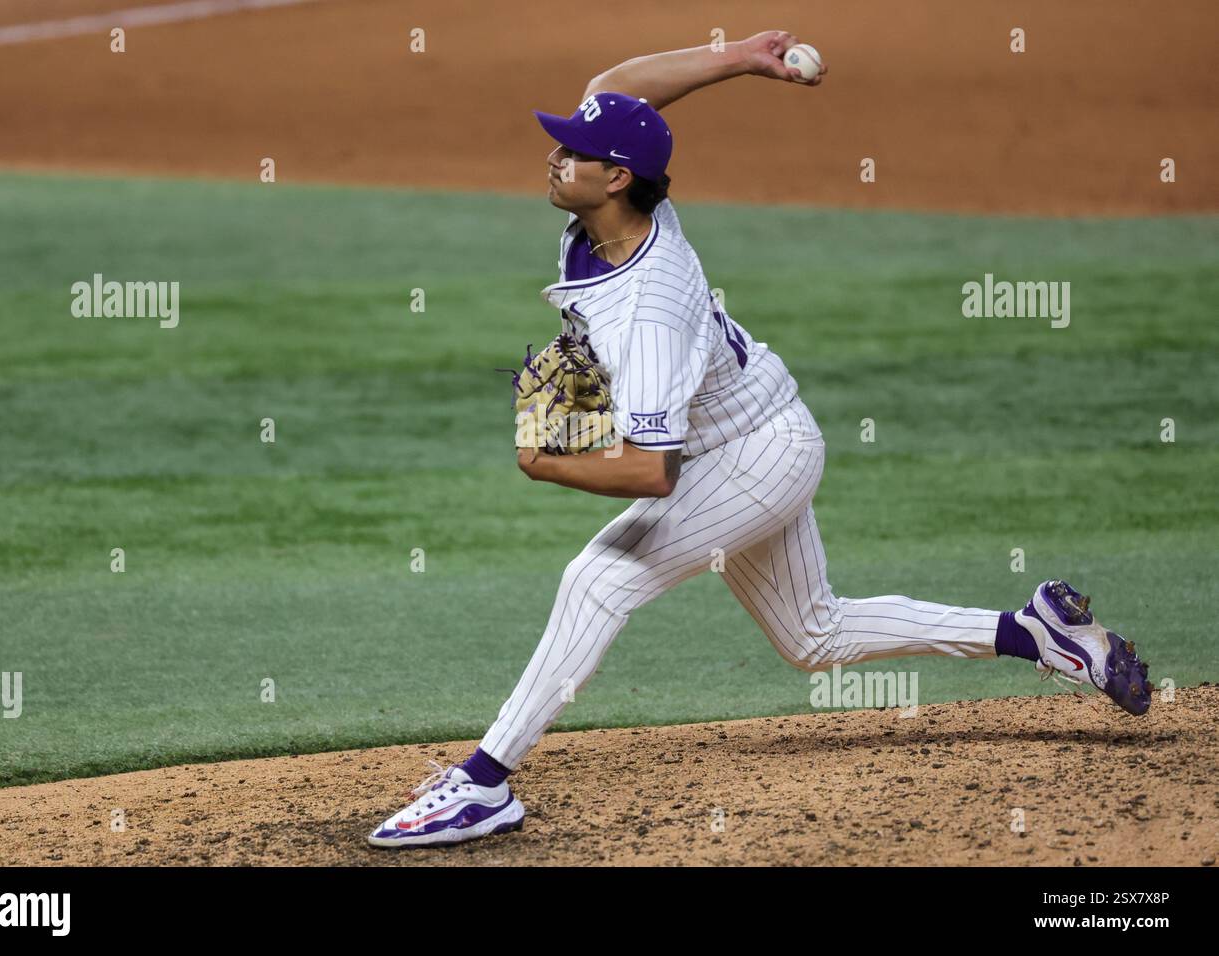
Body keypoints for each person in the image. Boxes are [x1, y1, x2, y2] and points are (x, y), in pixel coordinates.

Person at [367, 31, 1151, 849]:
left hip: (748, 458)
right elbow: (620, 84)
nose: (555, 157)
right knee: (811, 635)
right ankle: (1033, 633)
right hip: (757, 432)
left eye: (575, 151)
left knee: (598, 579)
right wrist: (739, 57)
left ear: (617, 178)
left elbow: (652, 470)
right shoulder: (624, 211)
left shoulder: (650, 312)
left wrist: (545, 459)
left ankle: (485, 781)